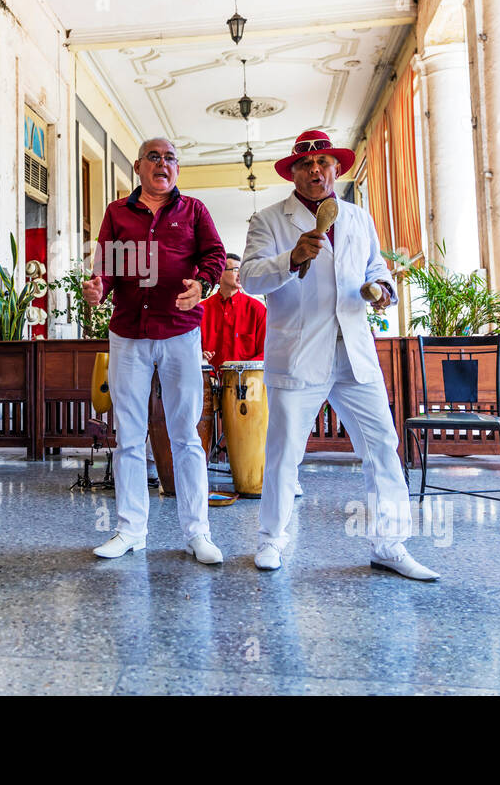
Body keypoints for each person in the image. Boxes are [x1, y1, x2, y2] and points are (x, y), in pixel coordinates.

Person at [239, 129, 439, 580]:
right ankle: (272, 539)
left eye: (324, 163)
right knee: (284, 452)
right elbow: (250, 278)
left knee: (383, 446)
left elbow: (375, 268)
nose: (315, 171)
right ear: (293, 173)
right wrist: (290, 259)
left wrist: (381, 288)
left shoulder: (358, 217)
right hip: (297, 352)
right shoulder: (269, 220)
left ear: (336, 169)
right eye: (306, 165)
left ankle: (389, 544)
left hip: (354, 353)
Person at [83, 138, 227, 563]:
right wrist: (97, 288)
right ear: (138, 167)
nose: (163, 164)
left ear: (176, 168)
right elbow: (105, 269)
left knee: (186, 435)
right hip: (128, 334)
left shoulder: (194, 211)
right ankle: (131, 531)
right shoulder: (116, 213)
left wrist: (203, 282)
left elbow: (215, 255)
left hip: (181, 333)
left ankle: (197, 533)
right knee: (129, 435)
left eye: (170, 159)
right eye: (154, 158)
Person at [199, 254, 266, 371]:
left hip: (246, 383)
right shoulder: (200, 310)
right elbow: (188, 350)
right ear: (220, 273)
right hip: (207, 382)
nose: (241, 274)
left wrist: (240, 372)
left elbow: (266, 352)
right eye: (235, 270)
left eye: (242, 270)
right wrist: (199, 355)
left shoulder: (257, 309)